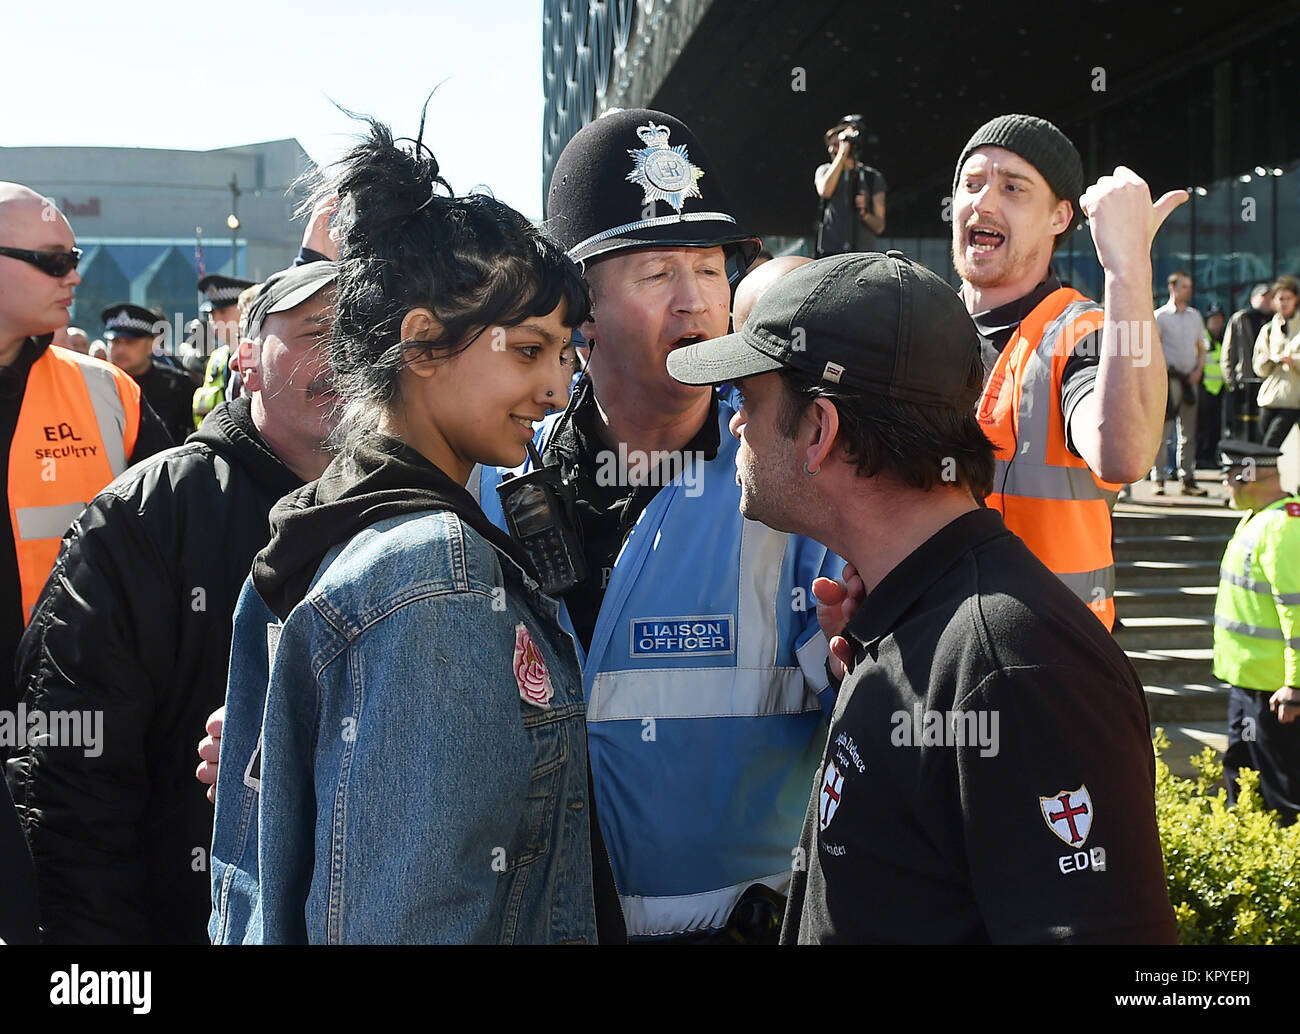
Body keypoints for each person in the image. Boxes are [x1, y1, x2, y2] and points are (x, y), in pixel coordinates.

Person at [668, 251, 1177, 943]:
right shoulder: (911, 625)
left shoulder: (1012, 669)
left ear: (818, 431)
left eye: (749, 401)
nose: (736, 428)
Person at [210, 118, 595, 944]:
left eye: (566, 354)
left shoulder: (331, 526)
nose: (558, 390)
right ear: (421, 344)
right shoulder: (434, 573)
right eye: (529, 351)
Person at [479, 108, 844, 943]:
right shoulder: (492, 479)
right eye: (654, 274)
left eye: (710, 268)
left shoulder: (791, 476)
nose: (696, 299)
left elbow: (881, 717)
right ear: (582, 312)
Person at [5, 263, 337, 944]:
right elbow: (74, 790)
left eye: (362, 331)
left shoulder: (413, 512)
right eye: (315, 330)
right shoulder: (142, 520)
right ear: (246, 356)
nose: (343, 355)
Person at [951, 114, 1182, 629]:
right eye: (972, 184)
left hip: (1052, 668)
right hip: (932, 653)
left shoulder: (1080, 334)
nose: (983, 202)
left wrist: (1128, 271)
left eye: (1013, 188)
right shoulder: (919, 328)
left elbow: (1123, 452)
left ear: (1060, 217)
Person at [0, 183, 171, 715]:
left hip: (68, 714)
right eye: (53, 262)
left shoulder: (110, 392)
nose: (74, 275)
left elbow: (180, 537)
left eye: (72, 259)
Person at [1212, 438, 1300, 825]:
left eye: (1228, 477)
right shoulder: (1259, 518)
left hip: (1274, 692)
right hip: (1248, 682)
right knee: (1244, 777)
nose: (1224, 486)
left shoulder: (1284, 527)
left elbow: (1296, 612)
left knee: (1281, 791)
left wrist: (1295, 686)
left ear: (1246, 475)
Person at [103, 302, 195, 445]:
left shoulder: (178, 386)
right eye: (115, 342)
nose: (120, 350)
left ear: (151, 346)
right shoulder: (96, 383)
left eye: (130, 342)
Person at [1151, 271, 1207, 494]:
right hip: (1169, 380)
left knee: (1188, 432)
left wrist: (1198, 370)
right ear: (1172, 288)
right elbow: (1153, 348)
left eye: (1190, 286)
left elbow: (1202, 348)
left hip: (1190, 379)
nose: (1189, 291)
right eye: (1184, 286)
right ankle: (1159, 478)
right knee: (1163, 432)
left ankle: (1187, 478)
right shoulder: (1160, 316)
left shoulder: (1195, 316)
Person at [814, 116, 886, 258]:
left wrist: (865, 213)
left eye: (836, 144)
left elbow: (879, 226)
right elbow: (825, 191)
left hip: (863, 256)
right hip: (830, 254)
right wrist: (842, 152)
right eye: (831, 145)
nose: (831, 149)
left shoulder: (872, 177)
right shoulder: (824, 170)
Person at [191, 274, 257, 427]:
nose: (215, 319)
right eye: (211, 313)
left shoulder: (259, 355)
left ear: (246, 308)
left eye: (222, 311)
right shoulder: (217, 357)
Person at [1253, 274, 1300, 450]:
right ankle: (1262, 478)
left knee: (1269, 447)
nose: (1284, 302)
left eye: (1288, 298)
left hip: (1292, 400)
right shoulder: (1268, 329)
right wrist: (1267, 361)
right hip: (1269, 398)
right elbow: (1258, 367)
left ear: (1296, 300)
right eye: (1280, 298)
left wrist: (1293, 361)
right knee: (1261, 450)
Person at [1223, 282, 1275, 442]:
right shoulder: (1241, 318)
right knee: (1243, 427)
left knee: (1263, 427)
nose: (1267, 301)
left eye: (1270, 298)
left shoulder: (1275, 321)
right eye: (1263, 297)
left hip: (1267, 382)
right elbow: (1228, 352)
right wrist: (1231, 381)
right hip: (1244, 382)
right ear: (1253, 299)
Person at [1198, 303, 1225, 466]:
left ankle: (1211, 457)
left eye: (1219, 319)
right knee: (1203, 426)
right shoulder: (1202, 338)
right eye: (1214, 319)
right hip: (1204, 387)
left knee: (1216, 427)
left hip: (1220, 389)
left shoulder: (1223, 337)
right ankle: (1201, 458)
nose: (1217, 322)